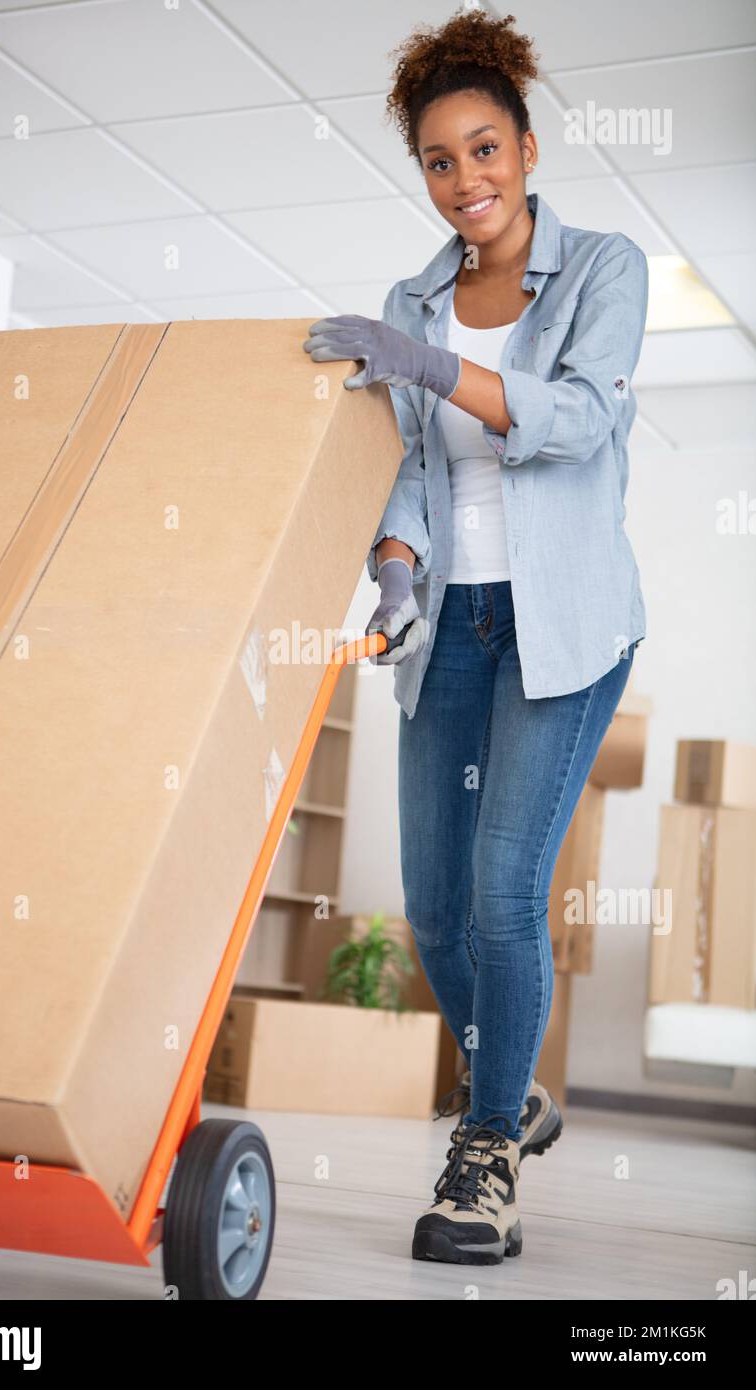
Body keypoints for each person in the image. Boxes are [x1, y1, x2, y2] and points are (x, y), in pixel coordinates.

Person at [303, 8, 649, 1267]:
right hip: (451, 622)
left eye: (483, 149)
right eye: (439, 162)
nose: (466, 182)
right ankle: (510, 1081)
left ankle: (486, 1147)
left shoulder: (605, 267)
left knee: (504, 896)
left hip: (561, 629)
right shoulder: (414, 299)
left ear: (526, 147)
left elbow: (571, 422)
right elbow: (410, 474)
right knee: (433, 911)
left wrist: (433, 367)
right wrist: (392, 569)